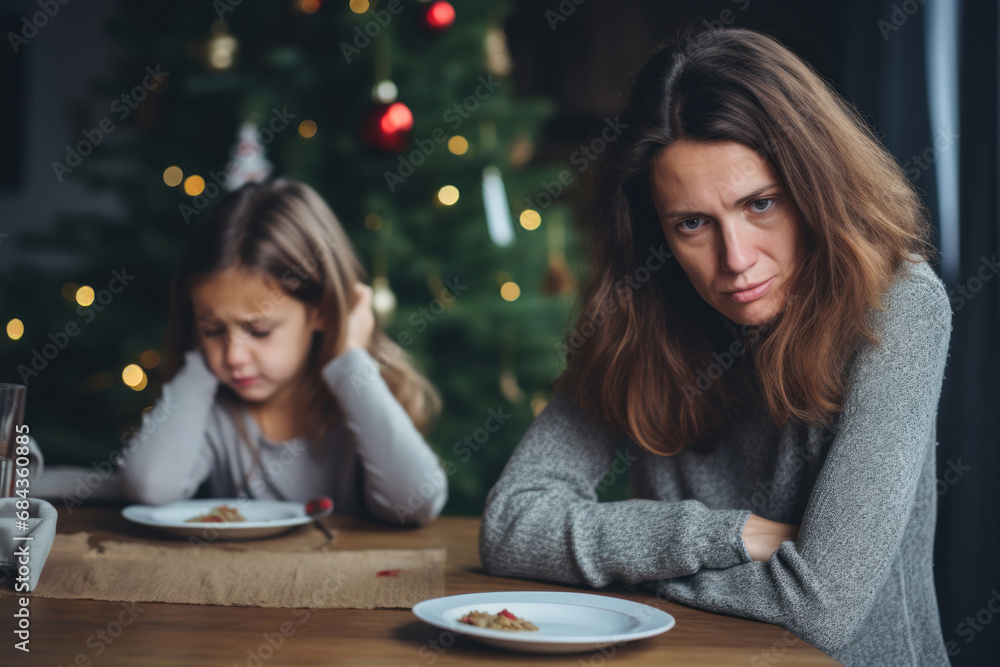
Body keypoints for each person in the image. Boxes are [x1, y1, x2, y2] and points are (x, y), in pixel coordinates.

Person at [479, 27, 952, 666]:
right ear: (659, 232)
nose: (735, 261)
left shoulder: (897, 305)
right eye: (693, 224)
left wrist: (618, 568)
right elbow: (511, 526)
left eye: (760, 205)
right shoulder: (643, 310)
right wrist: (726, 536)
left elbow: (820, 608)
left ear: (816, 188)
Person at [118, 179, 447, 526]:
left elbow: (415, 503)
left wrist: (349, 360)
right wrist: (200, 366)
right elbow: (149, 487)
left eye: (259, 330)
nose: (233, 356)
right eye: (212, 329)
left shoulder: (360, 397)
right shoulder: (211, 407)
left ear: (321, 309)